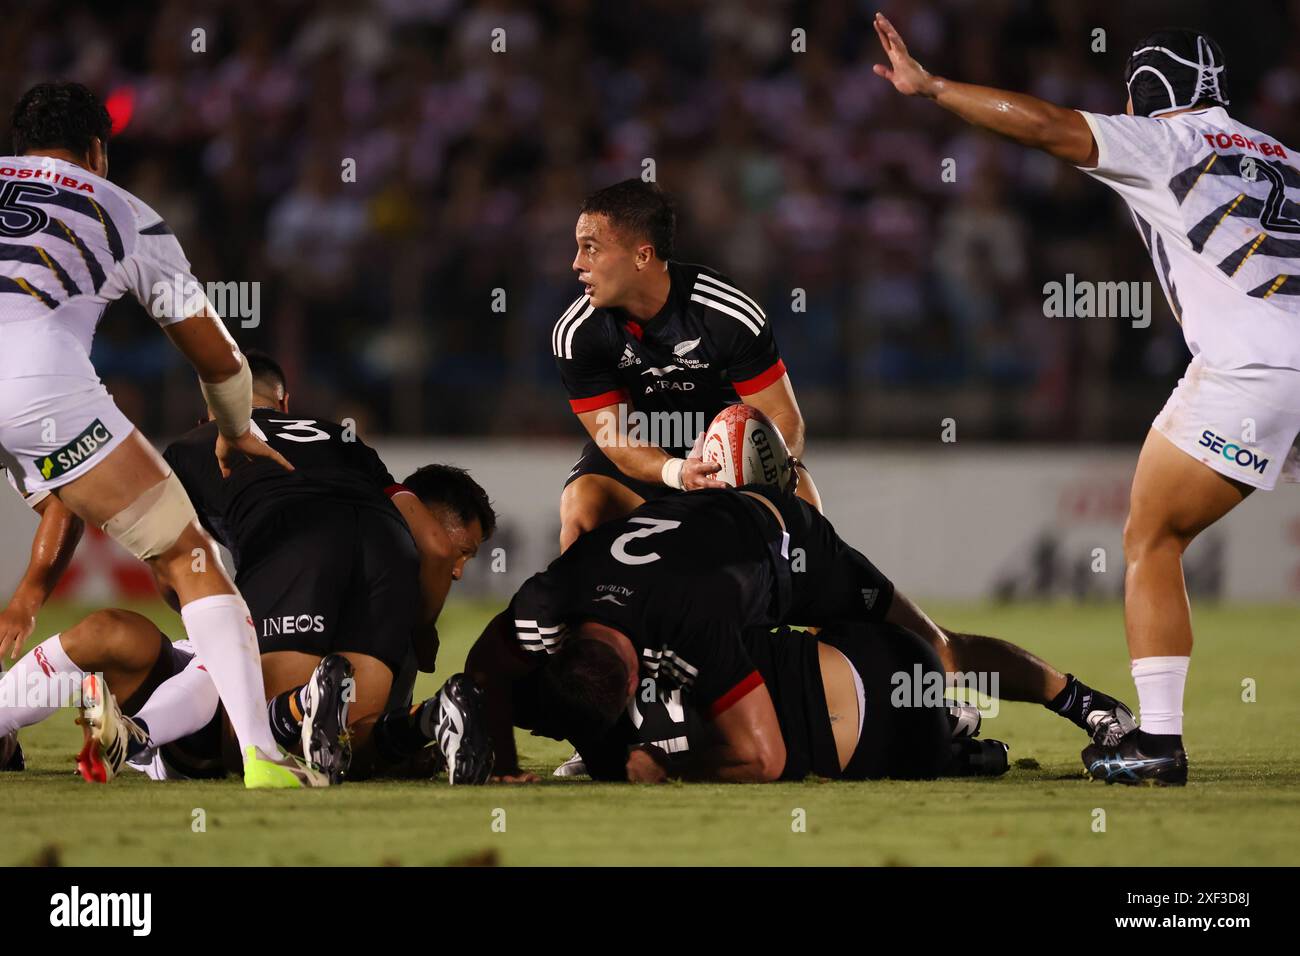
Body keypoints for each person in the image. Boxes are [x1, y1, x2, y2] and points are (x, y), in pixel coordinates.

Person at [872, 15, 1300, 784]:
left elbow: (1045, 126)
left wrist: (934, 88)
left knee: (1152, 536)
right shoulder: (1284, 157)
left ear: (1144, 95)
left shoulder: (1165, 139)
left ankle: (1159, 744)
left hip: (1258, 362)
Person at [0, 81, 309, 787]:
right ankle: (262, 755)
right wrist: (234, 429)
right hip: (36, 381)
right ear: (97, 152)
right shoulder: (123, 211)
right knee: (188, 555)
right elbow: (218, 357)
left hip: (29, 394)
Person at [466, 482, 1134, 782]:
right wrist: (498, 761)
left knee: (940, 649)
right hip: (695, 532)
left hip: (788, 543)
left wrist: (668, 765)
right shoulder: (549, 596)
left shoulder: (689, 619)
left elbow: (767, 757)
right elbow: (484, 666)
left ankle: (1085, 704)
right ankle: (945, 737)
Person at [555, 178, 821, 552]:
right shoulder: (578, 332)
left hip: (728, 449)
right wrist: (678, 472)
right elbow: (614, 437)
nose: (577, 263)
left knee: (808, 522)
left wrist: (765, 472)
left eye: (591, 249)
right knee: (581, 516)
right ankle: (583, 609)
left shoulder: (727, 313)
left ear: (642, 256)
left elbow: (782, 417)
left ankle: (790, 606)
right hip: (642, 446)